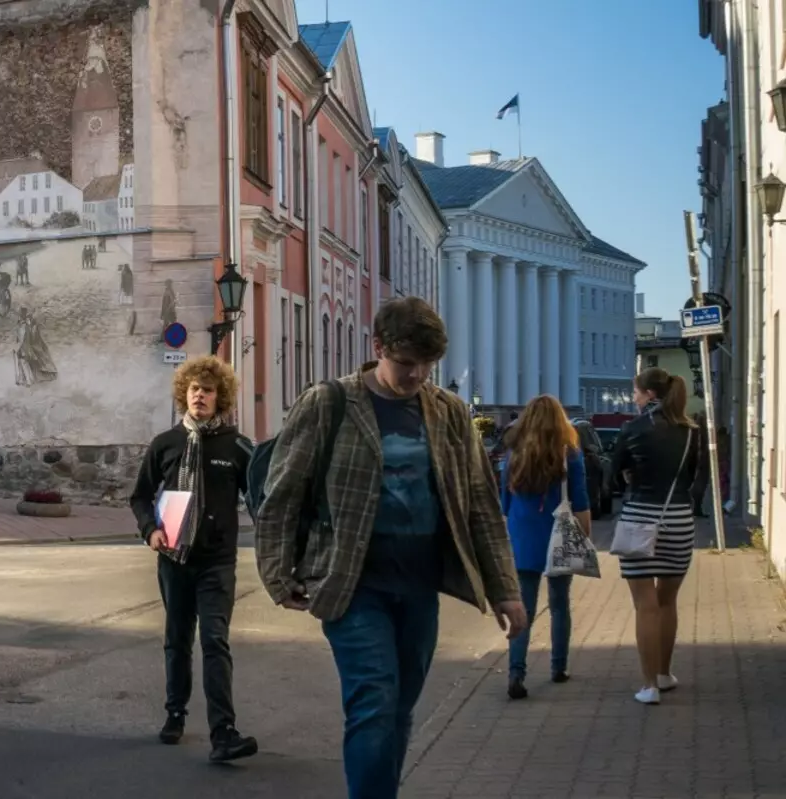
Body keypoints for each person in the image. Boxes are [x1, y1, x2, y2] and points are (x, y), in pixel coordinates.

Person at [256, 296, 526, 799]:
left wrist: (505, 589)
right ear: (377, 347)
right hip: (351, 583)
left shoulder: (446, 412)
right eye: (406, 363)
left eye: (428, 365)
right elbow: (282, 494)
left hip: (419, 587)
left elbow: (482, 506)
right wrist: (277, 573)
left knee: (399, 708)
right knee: (375, 703)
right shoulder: (330, 403)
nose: (418, 375)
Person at [128, 355, 258, 763]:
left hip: (217, 560)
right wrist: (150, 529)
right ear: (184, 394)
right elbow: (139, 496)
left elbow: (259, 498)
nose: (200, 395)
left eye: (208, 390)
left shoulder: (237, 447)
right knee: (177, 640)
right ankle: (175, 713)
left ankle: (224, 733)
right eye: (194, 389)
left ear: (221, 398)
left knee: (215, 640)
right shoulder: (165, 444)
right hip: (173, 558)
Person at [611, 367, 701, 705]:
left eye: (636, 392)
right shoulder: (691, 431)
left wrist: (630, 480)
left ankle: (648, 686)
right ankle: (664, 673)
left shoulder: (632, 429)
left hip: (639, 518)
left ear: (649, 394)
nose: (633, 398)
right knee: (667, 601)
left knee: (644, 605)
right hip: (678, 518)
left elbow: (613, 479)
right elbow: (692, 477)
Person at [498, 395, 593, 700]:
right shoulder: (570, 455)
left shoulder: (513, 455)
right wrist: (585, 539)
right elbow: (580, 503)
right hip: (558, 536)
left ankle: (516, 672)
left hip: (522, 537)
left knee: (521, 608)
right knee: (559, 605)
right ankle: (558, 667)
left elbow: (505, 502)